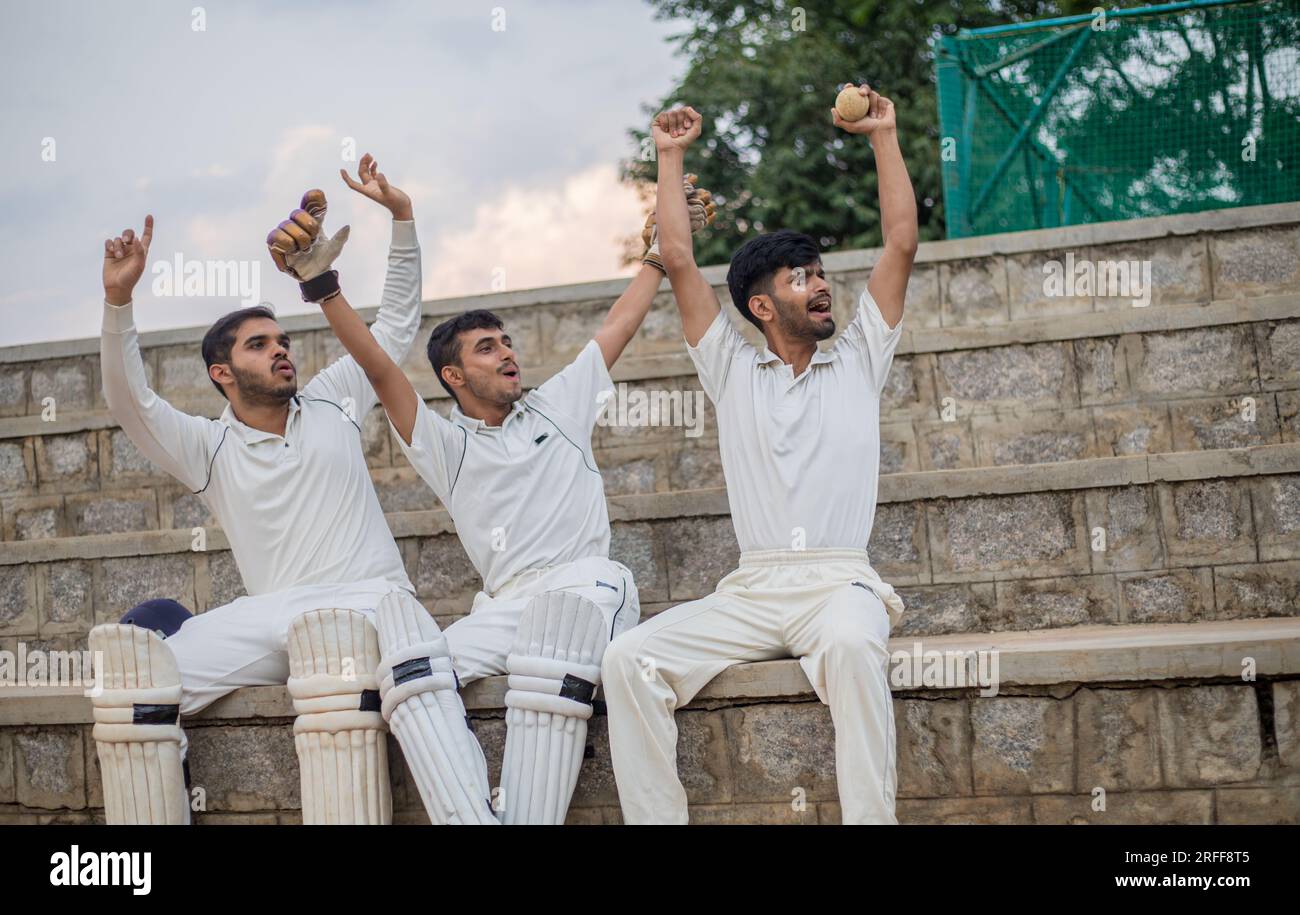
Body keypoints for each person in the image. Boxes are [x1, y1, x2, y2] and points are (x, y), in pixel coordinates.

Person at [295, 181, 714, 824]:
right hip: (506, 606)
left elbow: (617, 325)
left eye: (507, 342)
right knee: (407, 671)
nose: (508, 354)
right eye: (487, 348)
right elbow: (380, 369)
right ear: (454, 378)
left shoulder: (559, 404)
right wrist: (325, 287)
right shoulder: (442, 443)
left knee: (552, 643)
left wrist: (657, 255)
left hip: (587, 587)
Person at [93, 155, 492, 824]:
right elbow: (129, 401)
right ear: (222, 371)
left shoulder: (335, 399)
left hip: (372, 603)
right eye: (258, 345)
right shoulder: (206, 446)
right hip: (273, 616)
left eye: (282, 340)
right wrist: (117, 301)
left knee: (344, 665)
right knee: (131, 676)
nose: (282, 350)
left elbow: (393, 328)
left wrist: (401, 217)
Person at [601, 85, 918, 824]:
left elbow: (899, 241)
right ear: (762, 307)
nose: (820, 287)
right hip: (751, 591)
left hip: (840, 580)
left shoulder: (861, 356)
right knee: (627, 659)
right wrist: (670, 156)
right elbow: (678, 258)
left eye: (819, 274)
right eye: (800, 278)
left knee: (852, 648)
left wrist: (883, 136)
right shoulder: (733, 368)